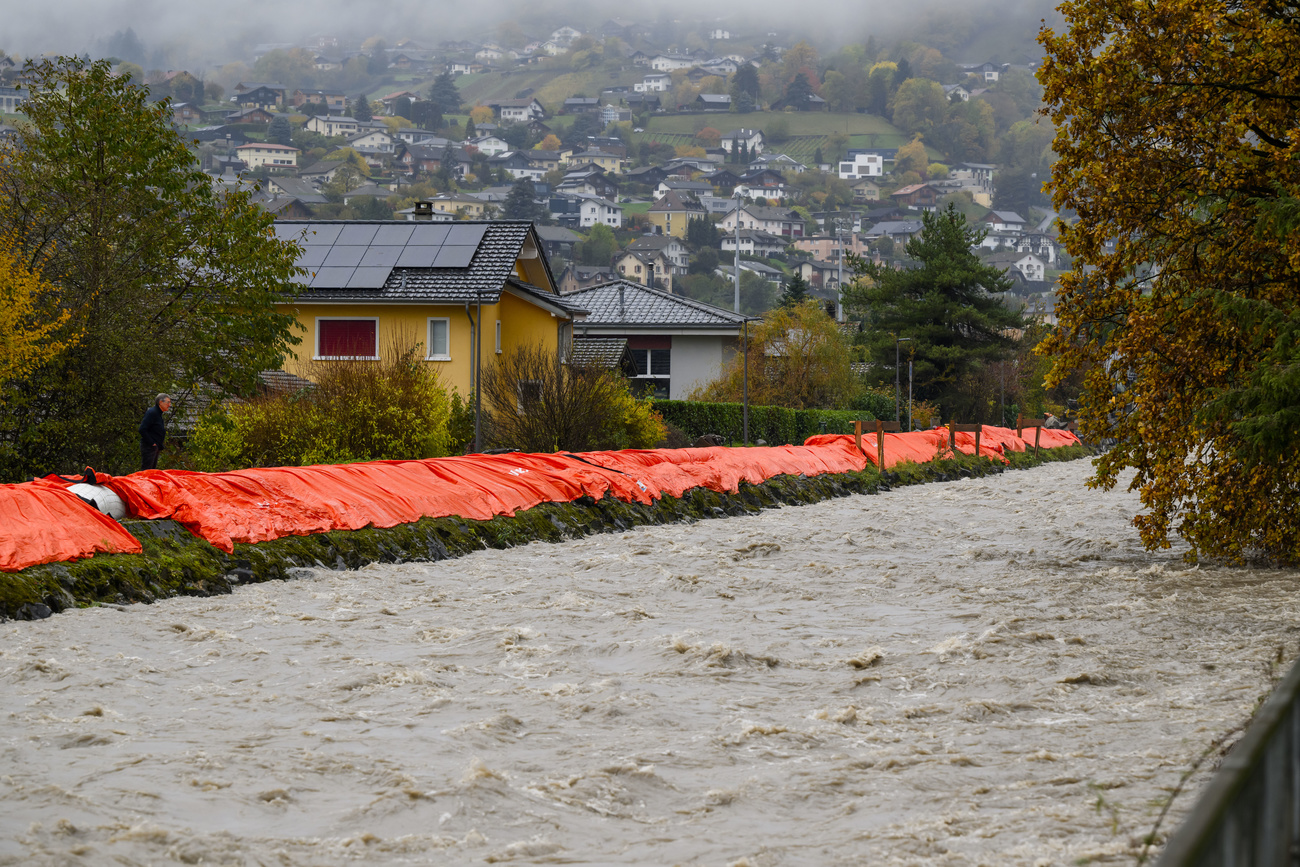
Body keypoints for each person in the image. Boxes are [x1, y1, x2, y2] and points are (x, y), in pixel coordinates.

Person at [139, 393, 171, 471]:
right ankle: (144, 483)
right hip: (149, 446)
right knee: (147, 471)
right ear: (160, 402)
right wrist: (152, 443)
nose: (169, 405)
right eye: (168, 402)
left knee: (152, 471)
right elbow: (142, 429)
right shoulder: (152, 413)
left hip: (154, 447)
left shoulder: (158, 414)